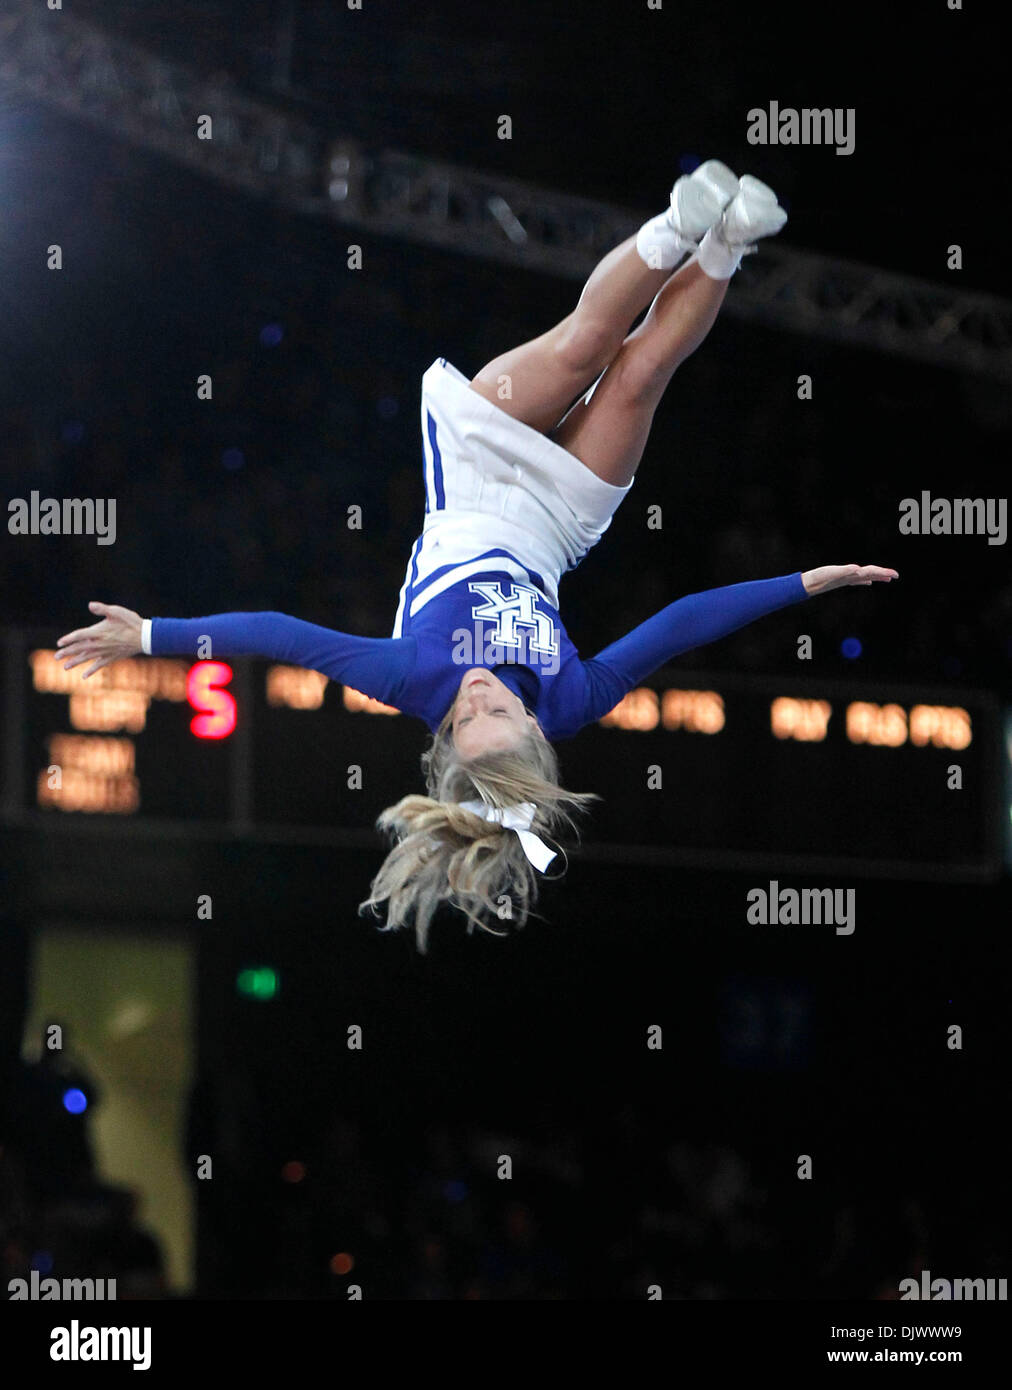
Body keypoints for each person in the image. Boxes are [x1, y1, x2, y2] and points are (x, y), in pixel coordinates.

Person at [56, 161, 897, 950]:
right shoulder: (570, 696)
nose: (482, 699)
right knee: (641, 373)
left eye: (466, 721)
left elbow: (278, 633)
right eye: (501, 715)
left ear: (445, 736)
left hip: (473, 466)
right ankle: (728, 241)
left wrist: (154, 636)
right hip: (562, 519)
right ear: (536, 727)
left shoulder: (411, 678)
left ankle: (678, 222)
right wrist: (802, 582)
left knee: (583, 349)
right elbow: (678, 626)